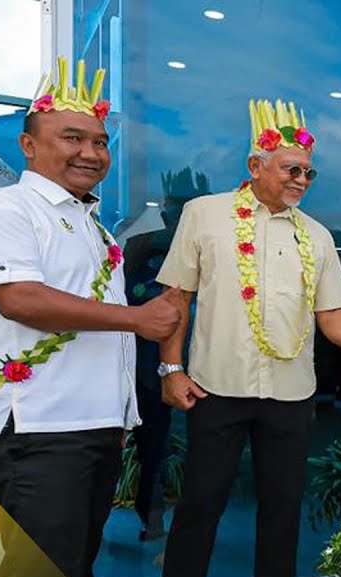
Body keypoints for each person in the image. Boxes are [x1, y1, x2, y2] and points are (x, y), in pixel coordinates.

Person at [0, 58, 180, 577]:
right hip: (36, 431)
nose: (90, 152)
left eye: (100, 142)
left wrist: (123, 414)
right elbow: (21, 300)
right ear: (29, 145)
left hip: (95, 429)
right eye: (72, 137)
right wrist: (137, 319)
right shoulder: (1, 209)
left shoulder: (94, 225)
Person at [155, 98, 341, 577]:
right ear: (255, 166)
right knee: (200, 506)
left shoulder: (319, 237)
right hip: (216, 388)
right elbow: (177, 298)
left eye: (309, 172)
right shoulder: (204, 215)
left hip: (290, 396)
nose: (302, 180)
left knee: (282, 509)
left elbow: (331, 314)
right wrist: (171, 369)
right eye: (292, 169)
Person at [124, 168, 211, 541]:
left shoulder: (211, 243)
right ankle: (154, 517)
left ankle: (189, 527)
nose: (179, 213)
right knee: (152, 447)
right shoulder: (143, 242)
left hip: (205, 368)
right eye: (175, 205)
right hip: (146, 367)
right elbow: (125, 295)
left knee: (202, 451)